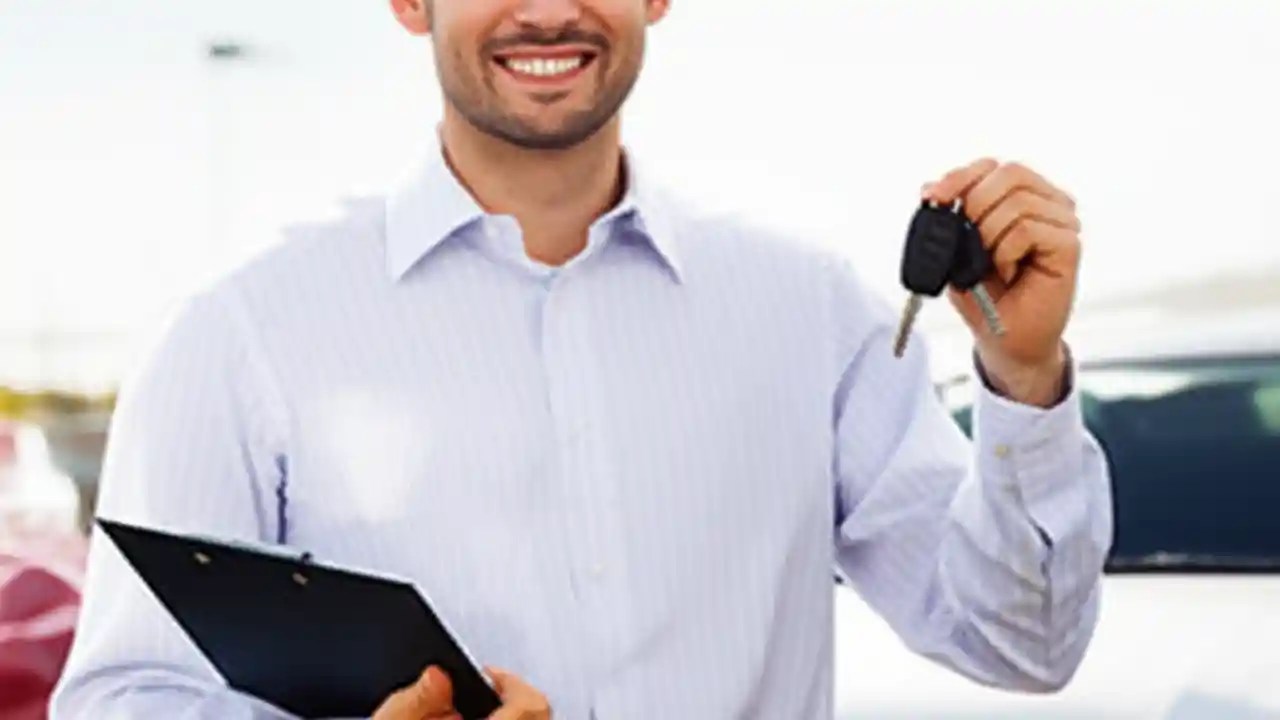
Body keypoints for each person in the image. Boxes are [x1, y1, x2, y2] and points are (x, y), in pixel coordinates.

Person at [50, 0, 1113, 718]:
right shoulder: (239, 332)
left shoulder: (807, 311)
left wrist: (1022, 382)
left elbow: (1022, 644)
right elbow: (124, 697)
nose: (548, 10)